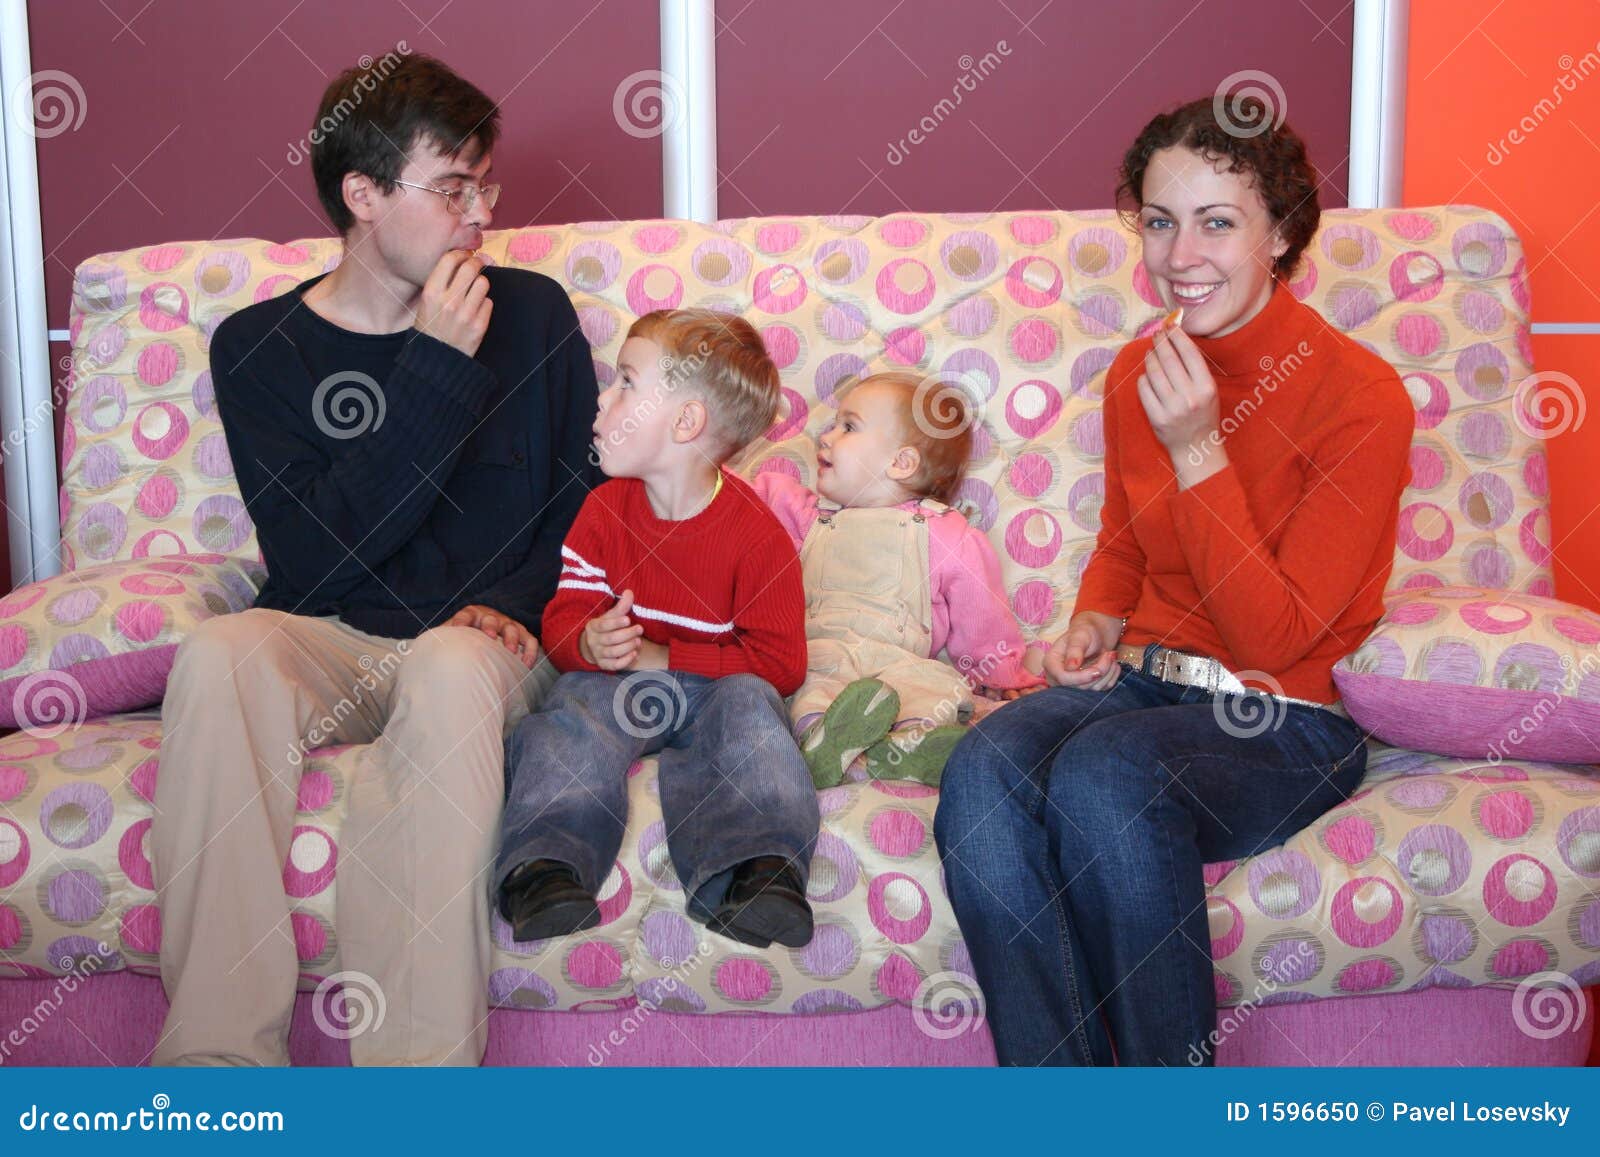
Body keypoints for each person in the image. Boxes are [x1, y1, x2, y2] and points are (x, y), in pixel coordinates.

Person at [934, 95, 1414, 1066]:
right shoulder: (1135, 374)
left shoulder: (1360, 397)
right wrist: (1096, 616)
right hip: (1147, 684)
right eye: (1158, 222)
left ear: (1280, 234)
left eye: (1216, 222)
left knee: (1104, 773)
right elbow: (1125, 536)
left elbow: (1275, 639)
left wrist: (1200, 450)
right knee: (984, 767)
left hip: (1287, 720)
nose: (1178, 254)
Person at [151, 51, 600, 1066]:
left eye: (486, 182)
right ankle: (215, 1070)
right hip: (334, 633)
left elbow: (582, 511)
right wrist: (434, 369)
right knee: (219, 652)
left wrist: (511, 603)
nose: (480, 212)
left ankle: (414, 1087)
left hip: (482, 648)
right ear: (361, 194)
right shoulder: (259, 346)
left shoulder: (530, 315)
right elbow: (314, 556)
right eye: (451, 187)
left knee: (446, 662)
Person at [494, 309, 819, 950]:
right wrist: (586, 640)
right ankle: (546, 866)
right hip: (619, 686)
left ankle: (759, 871)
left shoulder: (757, 537)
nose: (602, 397)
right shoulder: (603, 510)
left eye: (625, 382)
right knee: (575, 706)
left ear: (686, 422)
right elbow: (566, 613)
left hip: (714, 689)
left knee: (753, 708)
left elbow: (781, 664)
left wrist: (664, 656)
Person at [753, 371, 1044, 788]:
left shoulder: (944, 532)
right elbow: (743, 500)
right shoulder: (807, 516)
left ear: (901, 462)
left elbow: (979, 612)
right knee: (801, 687)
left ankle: (908, 749)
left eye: (848, 427)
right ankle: (823, 740)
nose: (825, 436)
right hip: (819, 653)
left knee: (935, 686)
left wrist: (1002, 675)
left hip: (898, 661)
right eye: (834, 423)